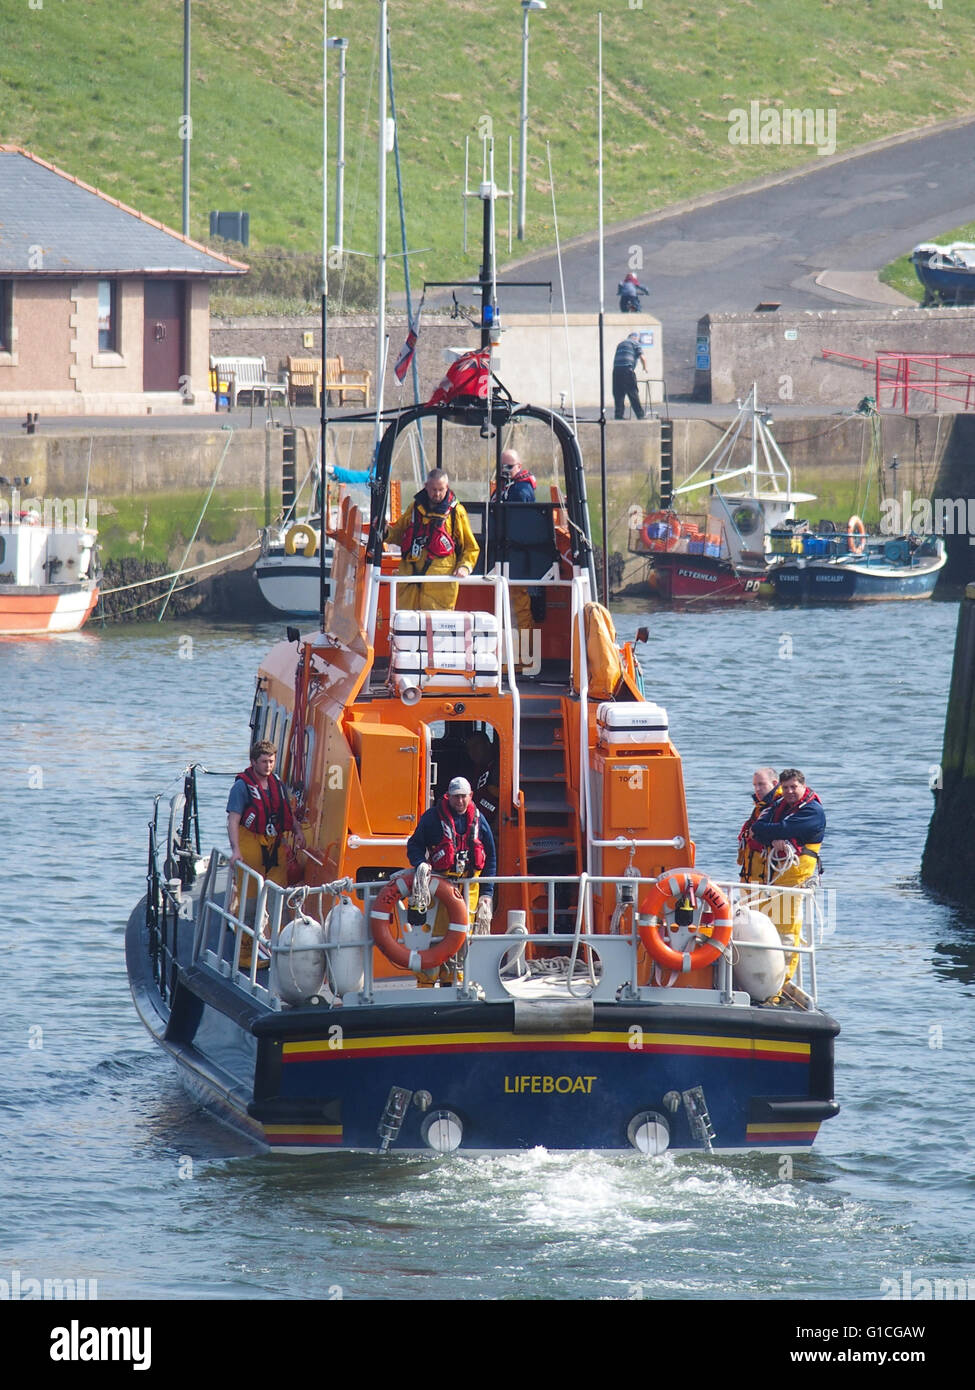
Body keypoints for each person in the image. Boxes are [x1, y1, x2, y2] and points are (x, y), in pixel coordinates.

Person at [406, 775, 496, 984]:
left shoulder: (479, 821)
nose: (460, 801)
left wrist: (487, 894)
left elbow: (490, 857)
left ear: (471, 796)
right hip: (439, 885)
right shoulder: (432, 818)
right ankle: (426, 983)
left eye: (464, 797)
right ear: (448, 796)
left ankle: (456, 981)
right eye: (456, 797)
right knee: (434, 936)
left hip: (469, 887)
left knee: (464, 935)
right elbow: (414, 845)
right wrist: (420, 863)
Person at [226, 739, 306, 967]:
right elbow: (233, 820)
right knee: (250, 904)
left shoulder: (276, 784)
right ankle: (244, 956)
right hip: (250, 846)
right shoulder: (241, 787)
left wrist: (298, 831)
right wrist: (236, 850)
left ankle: (281, 952)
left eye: (271, 761)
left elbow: (287, 812)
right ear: (253, 762)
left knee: (278, 900)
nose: (268, 765)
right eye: (264, 761)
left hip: (275, 847)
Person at [746, 768, 825, 982]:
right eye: (786, 787)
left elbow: (780, 828)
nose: (790, 791)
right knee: (766, 925)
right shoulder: (779, 807)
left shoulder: (812, 812)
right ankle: (762, 976)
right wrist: (772, 837)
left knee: (787, 931)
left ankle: (783, 981)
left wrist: (771, 833)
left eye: (794, 787)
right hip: (777, 877)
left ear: (803, 786)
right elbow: (758, 828)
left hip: (796, 878)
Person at [386, 467, 479, 611]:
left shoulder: (456, 513)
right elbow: (399, 534)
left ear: (447, 487)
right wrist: (385, 533)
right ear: (426, 487)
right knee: (406, 629)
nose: (437, 494)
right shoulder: (414, 509)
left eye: (441, 489)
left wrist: (465, 566)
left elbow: (470, 547)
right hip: (410, 585)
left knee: (436, 631)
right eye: (433, 489)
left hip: (439, 591)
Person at [496, 449, 538, 641]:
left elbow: (519, 522)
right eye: (502, 466)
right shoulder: (509, 487)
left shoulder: (520, 491)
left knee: (518, 604)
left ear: (519, 467)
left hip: (517, 554)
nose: (505, 470)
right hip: (508, 552)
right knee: (511, 603)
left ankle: (525, 654)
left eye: (509, 467)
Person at [738, 766, 780, 884]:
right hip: (751, 872)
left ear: (774, 783)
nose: (757, 789)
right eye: (755, 785)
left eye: (761, 784)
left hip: (769, 875)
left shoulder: (779, 805)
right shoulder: (760, 807)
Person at [612, 332, 647, 421]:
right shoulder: (635, 343)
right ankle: (640, 415)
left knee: (618, 394)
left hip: (616, 370)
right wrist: (645, 367)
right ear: (635, 338)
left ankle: (618, 415)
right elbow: (642, 357)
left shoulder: (620, 344)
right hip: (627, 370)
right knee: (633, 393)